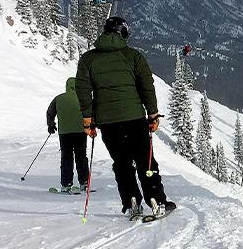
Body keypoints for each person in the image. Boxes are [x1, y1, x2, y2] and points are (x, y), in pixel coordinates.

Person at [75, 16, 174, 219]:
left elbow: (83, 89)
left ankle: (132, 201)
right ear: (124, 33)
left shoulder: (88, 59)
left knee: (122, 163)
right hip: (134, 119)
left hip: (108, 123)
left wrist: (88, 119)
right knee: (145, 161)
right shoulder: (133, 56)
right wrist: (153, 114)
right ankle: (156, 200)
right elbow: (147, 86)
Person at [46, 77, 89, 193]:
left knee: (66, 158)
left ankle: (66, 184)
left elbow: (50, 112)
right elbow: (90, 111)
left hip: (65, 133)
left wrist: (50, 125)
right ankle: (84, 183)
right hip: (80, 132)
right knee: (81, 157)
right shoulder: (82, 98)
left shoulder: (59, 98)